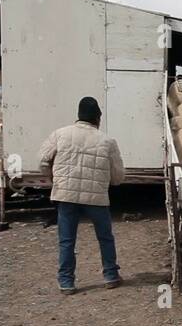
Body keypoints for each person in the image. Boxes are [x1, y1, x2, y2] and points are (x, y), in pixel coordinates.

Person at [39, 97, 125, 294]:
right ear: (98, 118)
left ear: (78, 115)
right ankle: (110, 275)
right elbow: (118, 176)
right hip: (96, 198)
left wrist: (54, 180)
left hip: (66, 196)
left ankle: (66, 281)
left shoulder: (60, 134)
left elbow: (43, 161)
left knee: (67, 240)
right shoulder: (107, 141)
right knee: (105, 237)